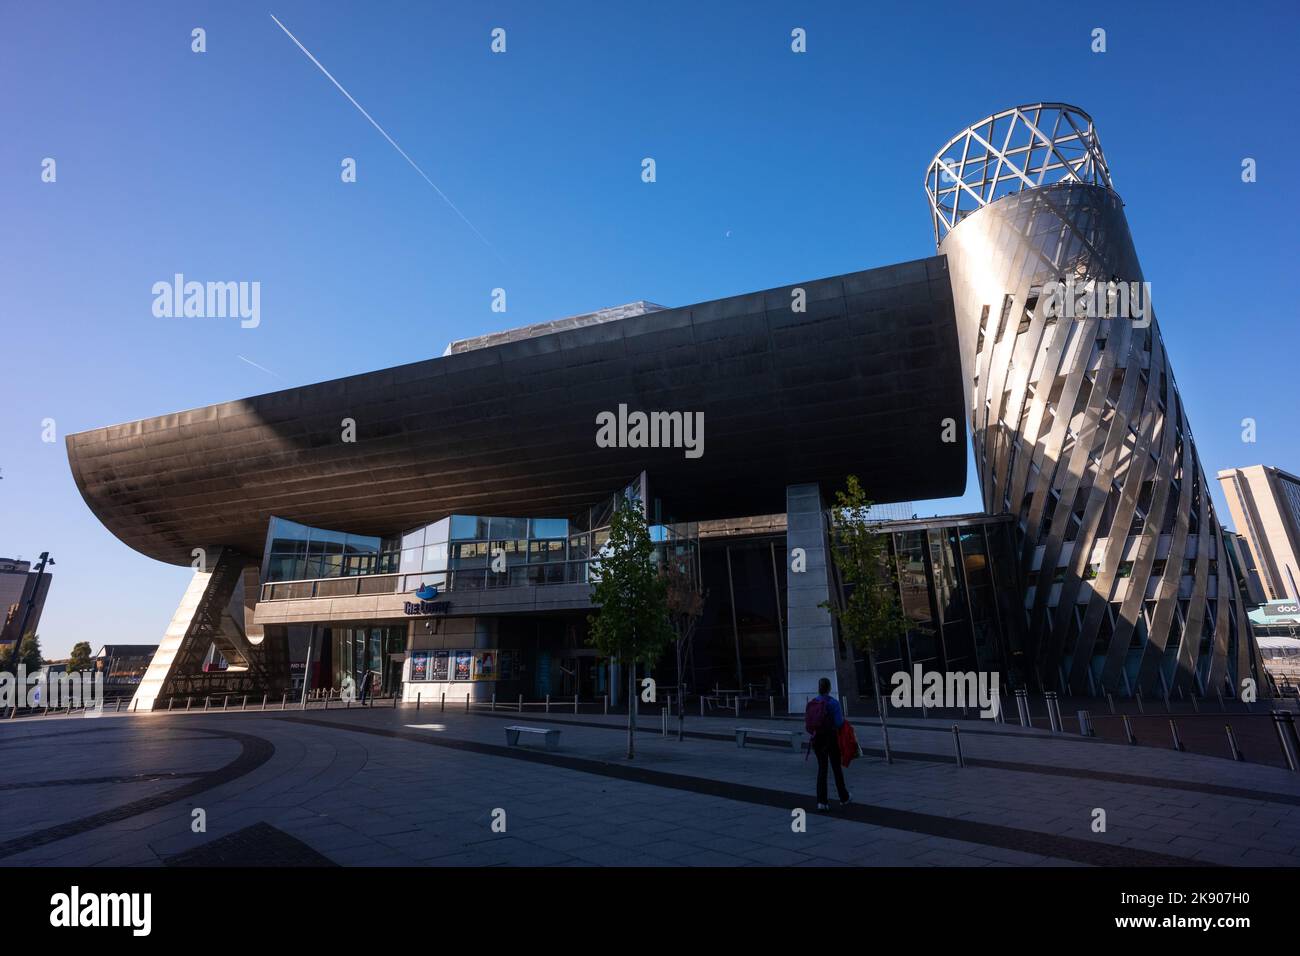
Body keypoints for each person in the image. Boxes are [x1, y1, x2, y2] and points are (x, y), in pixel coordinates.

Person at [806, 677, 850, 811]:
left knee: (822, 769)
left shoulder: (813, 703)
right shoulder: (833, 703)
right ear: (829, 688)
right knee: (836, 768)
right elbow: (839, 723)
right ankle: (844, 797)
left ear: (819, 688)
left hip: (817, 739)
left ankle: (821, 801)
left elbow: (808, 725)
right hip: (831, 738)